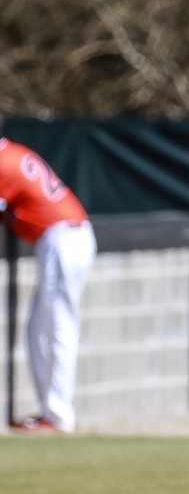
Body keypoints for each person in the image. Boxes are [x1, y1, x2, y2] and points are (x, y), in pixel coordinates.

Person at [0, 133, 96, 434]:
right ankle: (51, 413)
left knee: (57, 327)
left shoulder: (3, 160)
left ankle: (57, 416)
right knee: (40, 330)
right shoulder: (12, 152)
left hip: (62, 238)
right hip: (65, 237)